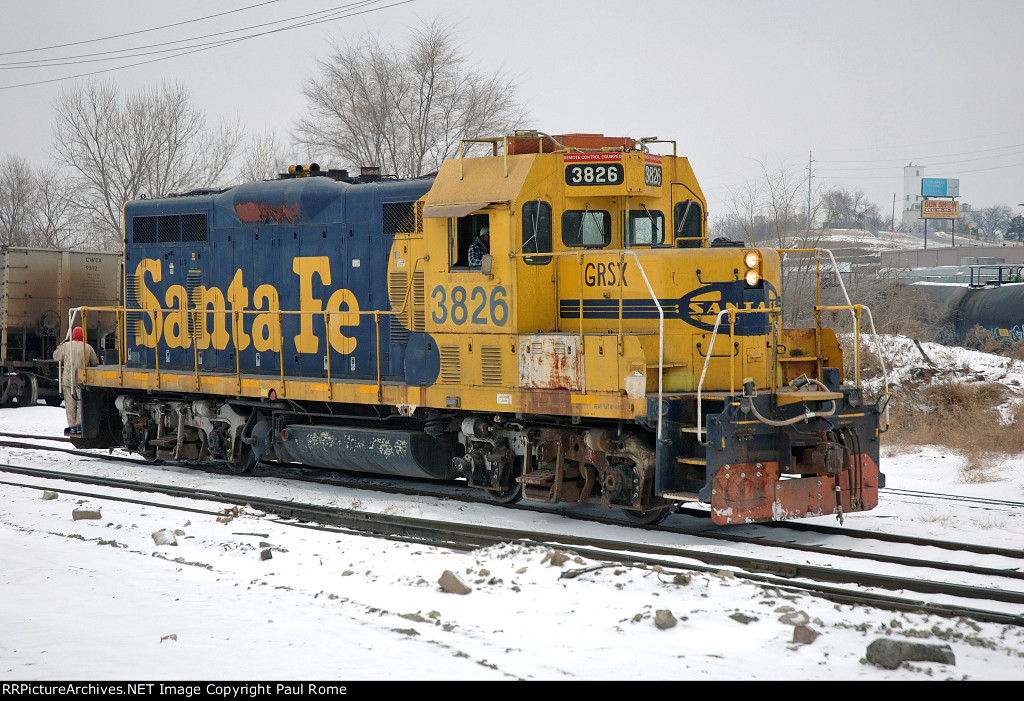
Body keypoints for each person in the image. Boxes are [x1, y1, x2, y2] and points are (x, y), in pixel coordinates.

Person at [52, 326, 99, 435]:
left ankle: (72, 426)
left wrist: (60, 345)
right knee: (81, 402)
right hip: (81, 379)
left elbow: (56, 356)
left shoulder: (66, 346)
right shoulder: (87, 347)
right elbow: (95, 362)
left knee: (70, 403)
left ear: (72, 335)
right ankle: (79, 425)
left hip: (68, 379)